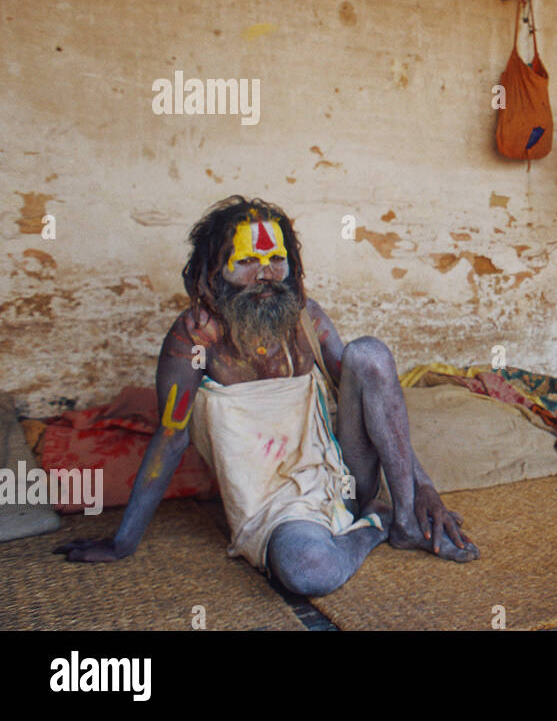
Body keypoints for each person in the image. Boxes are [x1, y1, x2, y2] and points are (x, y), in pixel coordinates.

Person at [56, 196, 478, 595]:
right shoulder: (193, 341)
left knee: (369, 353)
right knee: (309, 570)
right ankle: (375, 526)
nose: (265, 274)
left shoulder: (305, 318)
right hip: (274, 510)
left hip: (343, 479)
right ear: (213, 269)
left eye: (277, 260)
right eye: (247, 261)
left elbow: (375, 403)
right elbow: (171, 437)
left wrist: (423, 488)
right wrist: (122, 542)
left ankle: (403, 518)